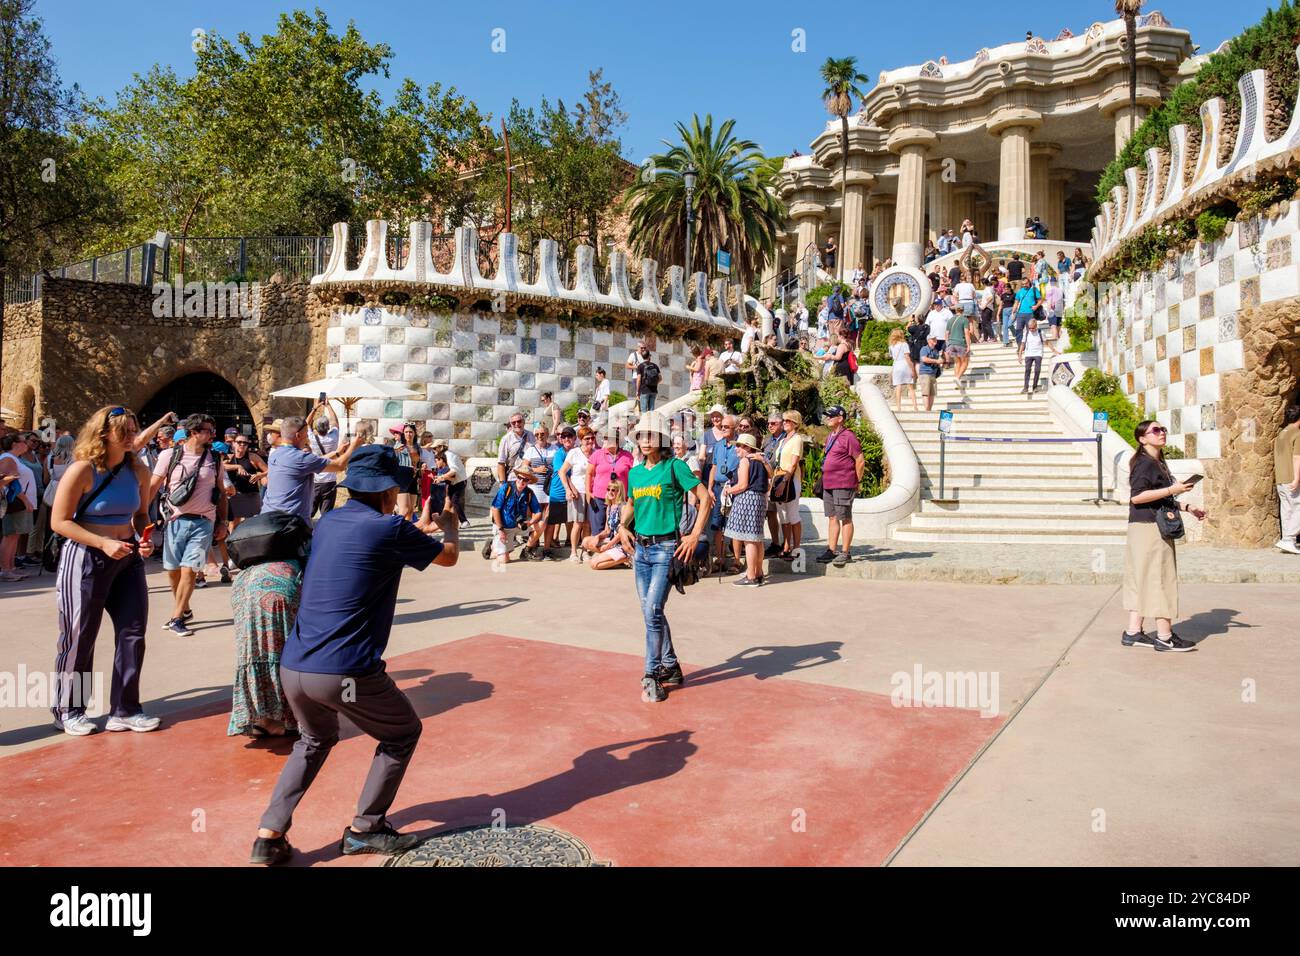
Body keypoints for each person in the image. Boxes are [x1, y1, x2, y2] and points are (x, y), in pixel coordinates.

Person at [249, 445, 459, 865]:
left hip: (295, 666)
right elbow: (448, 558)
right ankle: (366, 828)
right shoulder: (389, 529)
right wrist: (449, 527)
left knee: (313, 739)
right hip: (344, 671)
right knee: (401, 734)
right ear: (387, 490)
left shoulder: (327, 523)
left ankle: (267, 836)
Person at [48, 405, 160, 736]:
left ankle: (125, 709)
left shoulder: (138, 471)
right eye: (123, 431)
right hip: (85, 557)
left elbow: (140, 514)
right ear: (103, 433)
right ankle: (69, 709)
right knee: (80, 635)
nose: (130, 437)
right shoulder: (82, 470)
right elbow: (59, 522)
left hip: (127, 558)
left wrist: (144, 537)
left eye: (133, 430)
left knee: (133, 632)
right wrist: (101, 543)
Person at [616, 411, 710, 703]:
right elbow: (632, 503)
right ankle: (670, 665)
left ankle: (651, 674)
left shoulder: (675, 467)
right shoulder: (634, 473)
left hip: (667, 549)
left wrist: (694, 535)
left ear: (662, 439)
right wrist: (621, 526)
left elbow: (706, 498)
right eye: (641, 435)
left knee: (653, 610)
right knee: (650, 612)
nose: (645, 441)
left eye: (651, 435)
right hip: (640, 551)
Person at [1121, 421, 1206, 652]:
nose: (1162, 433)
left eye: (1163, 430)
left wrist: (1187, 507)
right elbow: (1137, 497)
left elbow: (1158, 498)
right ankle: (1164, 636)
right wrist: (1172, 489)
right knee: (1160, 579)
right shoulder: (1145, 464)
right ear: (1142, 439)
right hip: (1150, 528)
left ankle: (1132, 632)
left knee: (1143, 579)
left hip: (1144, 526)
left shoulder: (1156, 462)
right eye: (1155, 431)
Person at [150, 414, 230, 636]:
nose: (212, 434)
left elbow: (221, 493)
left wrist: (222, 522)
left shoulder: (214, 458)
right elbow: (153, 485)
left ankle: (176, 618)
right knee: (173, 570)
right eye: (208, 430)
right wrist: (138, 515)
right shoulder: (170, 455)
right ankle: (183, 609)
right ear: (194, 432)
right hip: (175, 520)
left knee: (190, 569)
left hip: (204, 521)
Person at [228, 551, 302, 738]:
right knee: (282, 650)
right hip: (281, 582)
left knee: (252, 649)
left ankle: (259, 719)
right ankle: (280, 720)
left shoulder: (261, 538)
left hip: (243, 584)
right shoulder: (304, 538)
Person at [263, 413, 360, 523]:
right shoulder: (300, 458)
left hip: (269, 517)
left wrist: (337, 453)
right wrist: (354, 445)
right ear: (298, 435)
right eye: (306, 435)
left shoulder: (275, 453)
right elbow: (339, 466)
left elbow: (314, 461)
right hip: (290, 524)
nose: (308, 438)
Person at [816, 405, 865, 568]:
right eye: (827, 416)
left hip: (844, 483)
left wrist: (858, 482)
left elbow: (860, 460)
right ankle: (831, 550)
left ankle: (845, 552)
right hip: (829, 483)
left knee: (845, 517)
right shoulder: (831, 436)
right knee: (832, 517)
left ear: (840, 418)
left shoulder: (848, 436)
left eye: (831, 416)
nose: (828, 418)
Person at [724, 433, 771, 586]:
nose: (736, 448)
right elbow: (771, 477)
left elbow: (743, 485)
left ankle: (751, 576)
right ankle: (758, 573)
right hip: (760, 499)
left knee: (748, 540)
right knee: (757, 539)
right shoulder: (761, 460)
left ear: (747, 447)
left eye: (739, 445)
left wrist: (728, 490)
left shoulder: (745, 461)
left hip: (747, 499)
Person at [489, 462, 545, 563]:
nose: (521, 481)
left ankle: (526, 550)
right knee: (503, 560)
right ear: (516, 477)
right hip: (504, 526)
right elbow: (495, 509)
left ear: (529, 481)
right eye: (520, 477)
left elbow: (538, 513)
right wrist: (500, 529)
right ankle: (492, 545)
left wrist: (531, 522)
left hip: (520, 525)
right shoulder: (506, 488)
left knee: (541, 524)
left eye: (525, 479)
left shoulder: (529, 493)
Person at [705, 414, 740, 574]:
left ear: (735, 428)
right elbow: (713, 467)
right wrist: (710, 489)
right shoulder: (718, 445)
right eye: (722, 427)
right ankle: (720, 558)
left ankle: (737, 560)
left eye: (726, 427)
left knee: (733, 525)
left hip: (733, 488)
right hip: (718, 488)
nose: (723, 429)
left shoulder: (740, 445)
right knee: (717, 525)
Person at [0, 432, 37, 581]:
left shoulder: (15, 459)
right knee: (10, 536)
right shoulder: (8, 459)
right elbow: (11, 483)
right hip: (16, 503)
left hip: (19, 503)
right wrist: (25, 500)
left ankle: (11, 567)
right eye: (23, 441)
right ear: (15, 444)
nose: (26, 444)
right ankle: (5, 570)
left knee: (14, 536)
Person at [771, 410, 805, 561]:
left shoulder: (797, 439)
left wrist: (784, 482)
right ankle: (786, 546)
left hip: (789, 480)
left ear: (795, 423)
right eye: (783, 420)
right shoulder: (782, 440)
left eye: (787, 420)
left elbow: (793, 464)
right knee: (783, 516)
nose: (784, 422)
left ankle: (796, 548)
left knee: (793, 515)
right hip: (779, 478)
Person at [586, 430, 633, 536]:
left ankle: (615, 550)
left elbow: (632, 477)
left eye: (610, 438)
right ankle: (598, 551)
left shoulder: (627, 456)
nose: (607, 441)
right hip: (599, 497)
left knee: (618, 529)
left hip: (620, 499)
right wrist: (588, 492)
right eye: (606, 438)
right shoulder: (597, 454)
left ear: (617, 440)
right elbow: (589, 473)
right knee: (598, 529)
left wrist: (630, 496)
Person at [517, 421, 553, 560]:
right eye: (537, 434)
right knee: (536, 520)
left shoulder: (554, 448)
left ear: (547, 434)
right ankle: (533, 546)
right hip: (535, 487)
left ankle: (547, 548)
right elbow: (524, 469)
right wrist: (536, 469)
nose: (539, 436)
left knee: (548, 520)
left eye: (542, 434)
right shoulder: (531, 450)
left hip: (550, 488)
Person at [560, 427, 595, 562]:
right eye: (587, 439)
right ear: (580, 440)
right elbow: (562, 472)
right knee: (578, 523)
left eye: (592, 438)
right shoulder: (574, 452)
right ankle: (573, 552)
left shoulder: (596, 453)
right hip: (578, 492)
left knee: (588, 524)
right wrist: (568, 489)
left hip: (591, 492)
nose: (590, 441)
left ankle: (585, 551)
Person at [579, 479, 630, 570]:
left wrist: (608, 545)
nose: (610, 492)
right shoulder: (609, 507)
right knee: (586, 541)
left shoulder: (623, 507)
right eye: (608, 489)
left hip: (621, 544)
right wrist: (598, 536)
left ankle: (625, 558)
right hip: (611, 540)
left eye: (613, 490)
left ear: (619, 492)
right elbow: (607, 530)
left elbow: (621, 534)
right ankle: (612, 557)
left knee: (594, 564)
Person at [223, 433, 267, 537]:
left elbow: (269, 470)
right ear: (233, 444)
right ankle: (233, 544)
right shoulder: (229, 457)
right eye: (239, 442)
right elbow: (221, 466)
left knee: (251, 523)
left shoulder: (253, 457)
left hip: (251, 495)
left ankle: (248, 545)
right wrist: (237, 466)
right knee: (233, 522)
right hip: (234, 495)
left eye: (245, 443)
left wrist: (259, 476)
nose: (242, 445)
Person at [545, 426, 576, 557]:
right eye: (564, 437)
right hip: (558, 492)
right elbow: (563, 473)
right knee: (553, 521)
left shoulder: (576, 452)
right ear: (561, 439)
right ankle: (546, 548)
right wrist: (571, 489)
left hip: (571, 492)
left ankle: (569, 540)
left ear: (575, 438)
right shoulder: (559, 453)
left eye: (570, 436)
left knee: (570, 519)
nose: (567, 439)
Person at [1274, 404, 1300, 554]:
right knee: (1297, 507)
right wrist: (1297, 478)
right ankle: (1288, 538)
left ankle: (1287, 540)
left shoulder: (1280, 434)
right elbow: (1297, 457)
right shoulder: (1297, 433)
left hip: (1281, 478)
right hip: (1291, 477)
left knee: (1287, 509)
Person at [307, 405, 341, 519]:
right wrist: (329, 406)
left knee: (310, 512)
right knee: (326, 514)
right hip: (330, 480)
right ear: (328, 428)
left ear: (316, 428)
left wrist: (314, 408)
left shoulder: (312, 439)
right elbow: (335, 422)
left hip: (315, 480)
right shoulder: (333, 438)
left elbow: (306, 424)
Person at [427, 439, 467, 528]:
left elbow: (454, 471)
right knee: (449, 501)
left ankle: (464, 521)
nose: (434, 451)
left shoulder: (449, 455)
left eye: (435, 448)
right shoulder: (446, 455)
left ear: (441, 447)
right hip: (454, 482)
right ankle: (449, 520)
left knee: (454, 501)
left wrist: (441, 477)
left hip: (459, 481)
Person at [1018, 317, 1059, 396]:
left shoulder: (1040, 332)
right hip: (1028, 354)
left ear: (1036, 326)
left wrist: (1054, 351)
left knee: (1037, 370)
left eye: (1032, 328)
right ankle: (1025, 387)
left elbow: (1047, 343)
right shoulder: (1026, 333)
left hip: (1038, 354)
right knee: (1027, 370)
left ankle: (1035, 387)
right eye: (1029, 328)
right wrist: (1019, 354)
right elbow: (1022, 343)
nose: (1031, 330)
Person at [393, 423, 425, 520]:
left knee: (411, 510)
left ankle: (406, 533)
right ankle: (394, 530)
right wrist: (395, 451)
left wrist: (421, 467)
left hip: (413, 479)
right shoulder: (399, 446)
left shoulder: (417, 447)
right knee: (404, 510)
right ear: (403, 433)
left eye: (411, 432)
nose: (408, 434)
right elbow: (391, 459)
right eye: (406, 432)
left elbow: (418, 462)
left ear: (415, 433)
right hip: (402, 477)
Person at [495, 412, 533, 485]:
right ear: (511, 424)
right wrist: (502, 483)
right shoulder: (506, 439)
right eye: (513, 422)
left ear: (524, 422)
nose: (516, 424)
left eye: (519, 421)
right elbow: (501, 463)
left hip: (529, 479)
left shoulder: (531, 436)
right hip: (513, 479)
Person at [889, 328, 918, 412]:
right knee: (910, 387)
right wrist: (912, 369)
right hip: (904, 365)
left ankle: (899, 407)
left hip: (896, 366)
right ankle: (915, 406)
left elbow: (892, 357)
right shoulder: (904, 344)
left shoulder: (891, 346)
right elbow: (907, 357)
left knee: (898, 387)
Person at [917, 334, 943, 412]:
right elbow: (924, 359)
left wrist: (940, 360)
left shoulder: (935, 351)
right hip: (925, 373)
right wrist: (936, 361)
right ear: (928, 340)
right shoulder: (924, 349)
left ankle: (929, 410)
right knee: (926, 393)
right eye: (933, 339)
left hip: (933, 374)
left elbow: (938, 361)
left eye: (935, 339)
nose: (935, 340)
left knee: (932, 394)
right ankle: (927, 410)